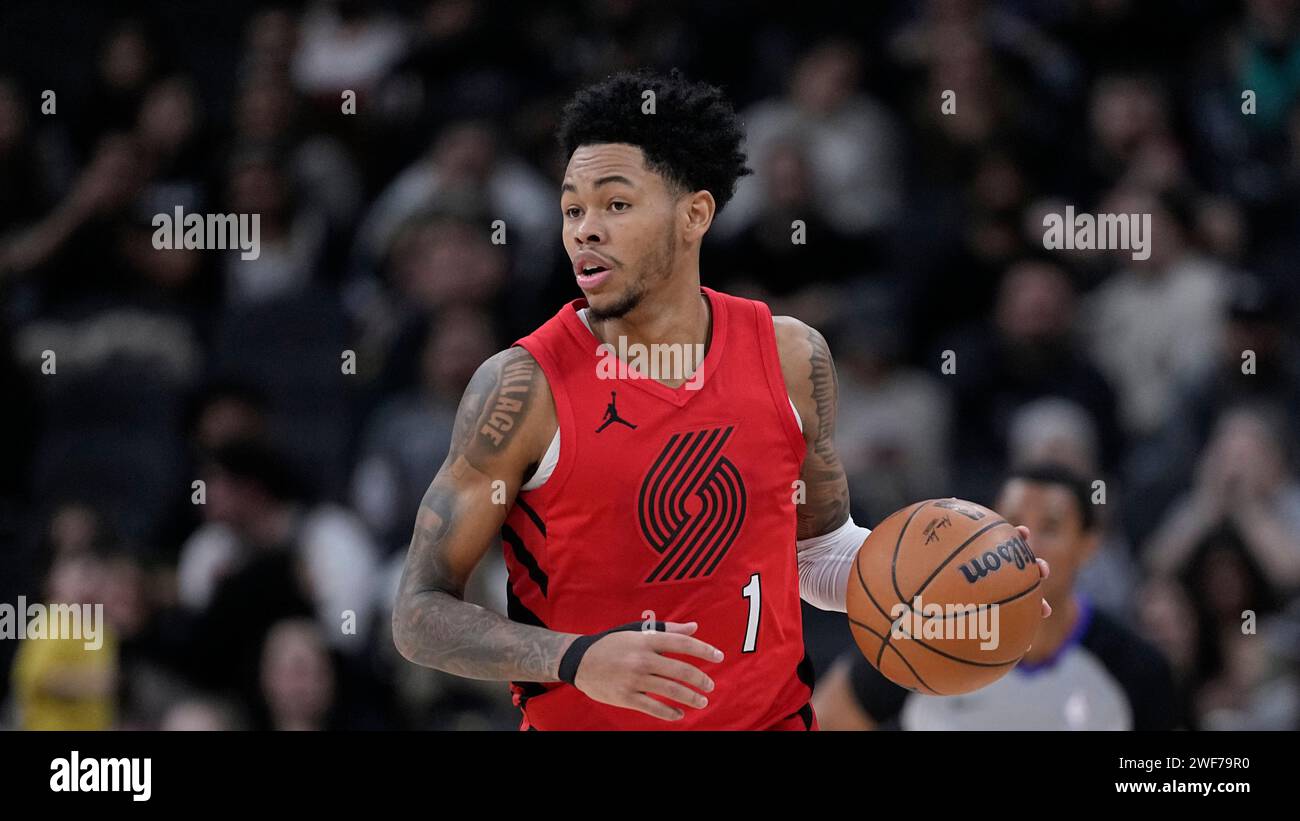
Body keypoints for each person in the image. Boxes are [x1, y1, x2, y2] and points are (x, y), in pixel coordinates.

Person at [391, 69, 1049, 731]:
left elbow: (814, 553)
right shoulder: (523, 385)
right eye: (572, 209)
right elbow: (418, 613)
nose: (584, 230)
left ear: (695, 214)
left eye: (615, 204)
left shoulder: (792, 355)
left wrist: (955, 580)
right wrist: (573, 657)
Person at [813, 464, 1176, 731]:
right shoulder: (925, 636)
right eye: (1013, 522)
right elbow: (827, 718)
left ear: (1088, 545)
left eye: (1050, 528)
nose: (1028, 541)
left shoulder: (1135, 669)